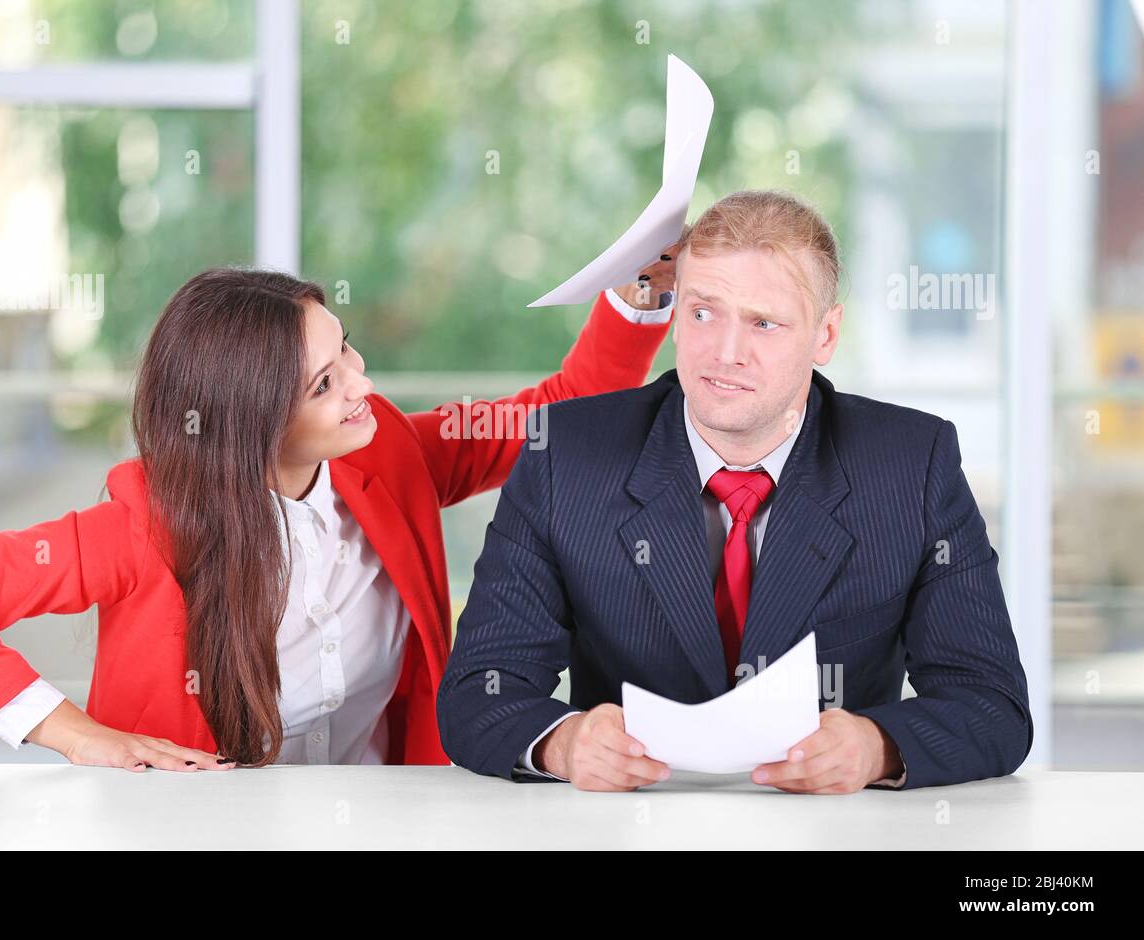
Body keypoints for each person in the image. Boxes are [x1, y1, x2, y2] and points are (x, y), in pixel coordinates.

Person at [0, 258, 678, 771]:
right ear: (253, 425)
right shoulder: (144, 526)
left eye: (344, 348)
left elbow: (557, 412)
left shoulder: (384, 452)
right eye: (324, 384)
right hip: (193, 833)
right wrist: (72, 732)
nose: (362, 384)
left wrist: (643, 292)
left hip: (394, 819)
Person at [437, 190, 1033, 793]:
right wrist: (564, 744)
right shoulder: (565, 454)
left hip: (828, 831)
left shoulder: (911, 464)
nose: (724, 353)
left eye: (763, 323)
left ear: (825, 336)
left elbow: (992, 704)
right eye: (702, 312)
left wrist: (876, 747)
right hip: (627, 828)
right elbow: (477, 691)